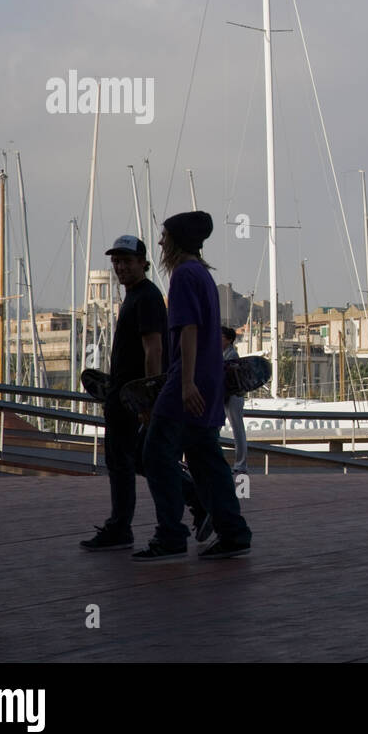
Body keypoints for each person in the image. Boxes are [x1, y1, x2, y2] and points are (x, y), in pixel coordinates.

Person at [136, 211, 252, 561]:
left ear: (177, 240)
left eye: (165, 236)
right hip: (208, 377)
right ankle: (232, 531)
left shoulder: (184, 275)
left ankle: (171, 534)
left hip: (188, 380)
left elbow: (188, 330)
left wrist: (184, 383)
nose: (160, 243)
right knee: (204, 457)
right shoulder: (202, 274)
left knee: (154, 453)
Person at [81, 235, 208, 551]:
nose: (121, 267)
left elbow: (154, 349)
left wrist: (149, 398)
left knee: (127, 462)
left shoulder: (147, 297)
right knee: (137, 460)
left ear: (143, 263)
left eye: (127, 261)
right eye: (116, 262)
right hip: (125, 396)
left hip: (133, 399)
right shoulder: (136, 296)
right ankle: (193, 500)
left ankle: (124, 526)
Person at [221, 326, 248, 475]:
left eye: (222, 337)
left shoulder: (231, 355)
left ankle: (241, 464)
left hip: (233, 396)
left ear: (229, 339)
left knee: (238, 430)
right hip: (226, 396)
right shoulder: (224, 353)